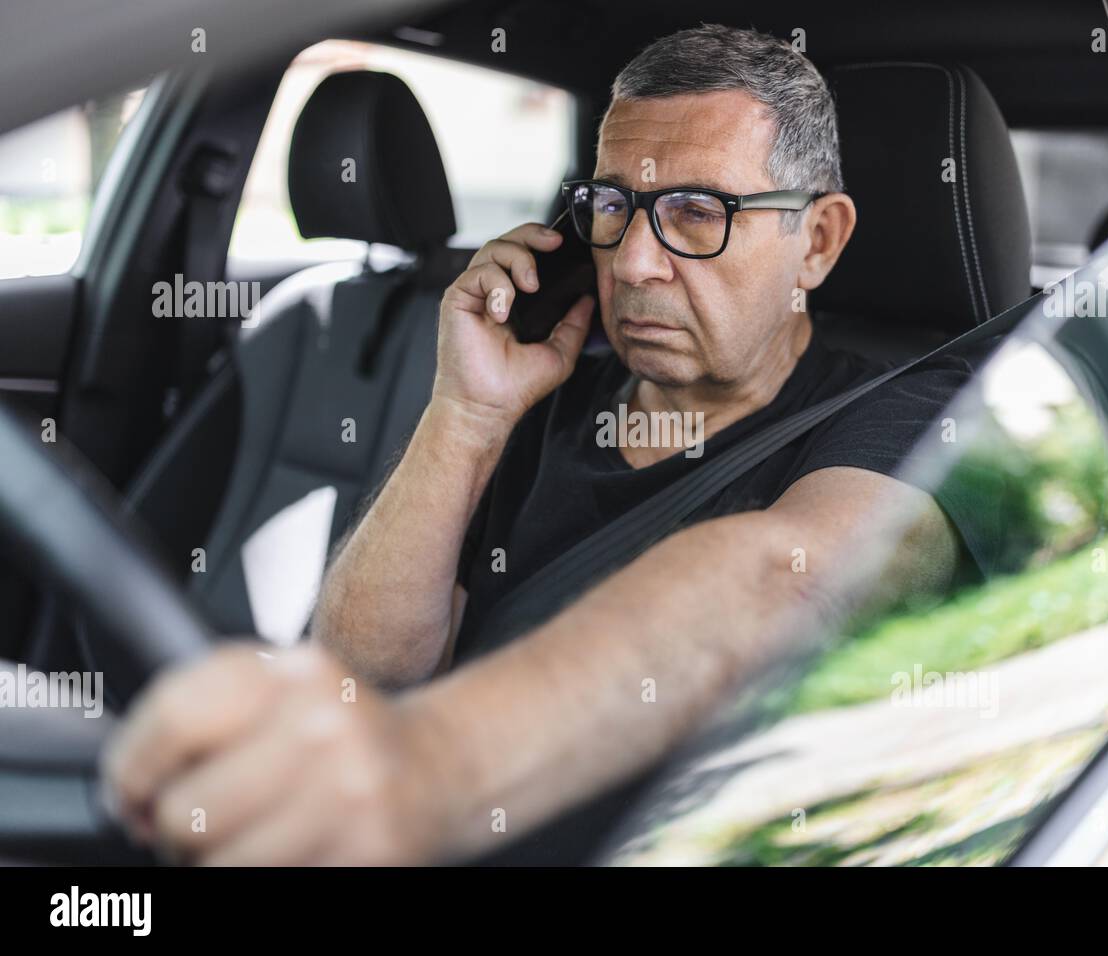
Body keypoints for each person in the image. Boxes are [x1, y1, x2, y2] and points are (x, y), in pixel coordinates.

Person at [103, 23, 974, 865]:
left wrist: (427, 766)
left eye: (697, 212)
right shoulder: (536, 403)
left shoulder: (916, 411)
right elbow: (357, 675)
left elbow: (792, 580)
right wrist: (466, 415)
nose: (633, 263)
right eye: (611, 207)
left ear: (816, 241)